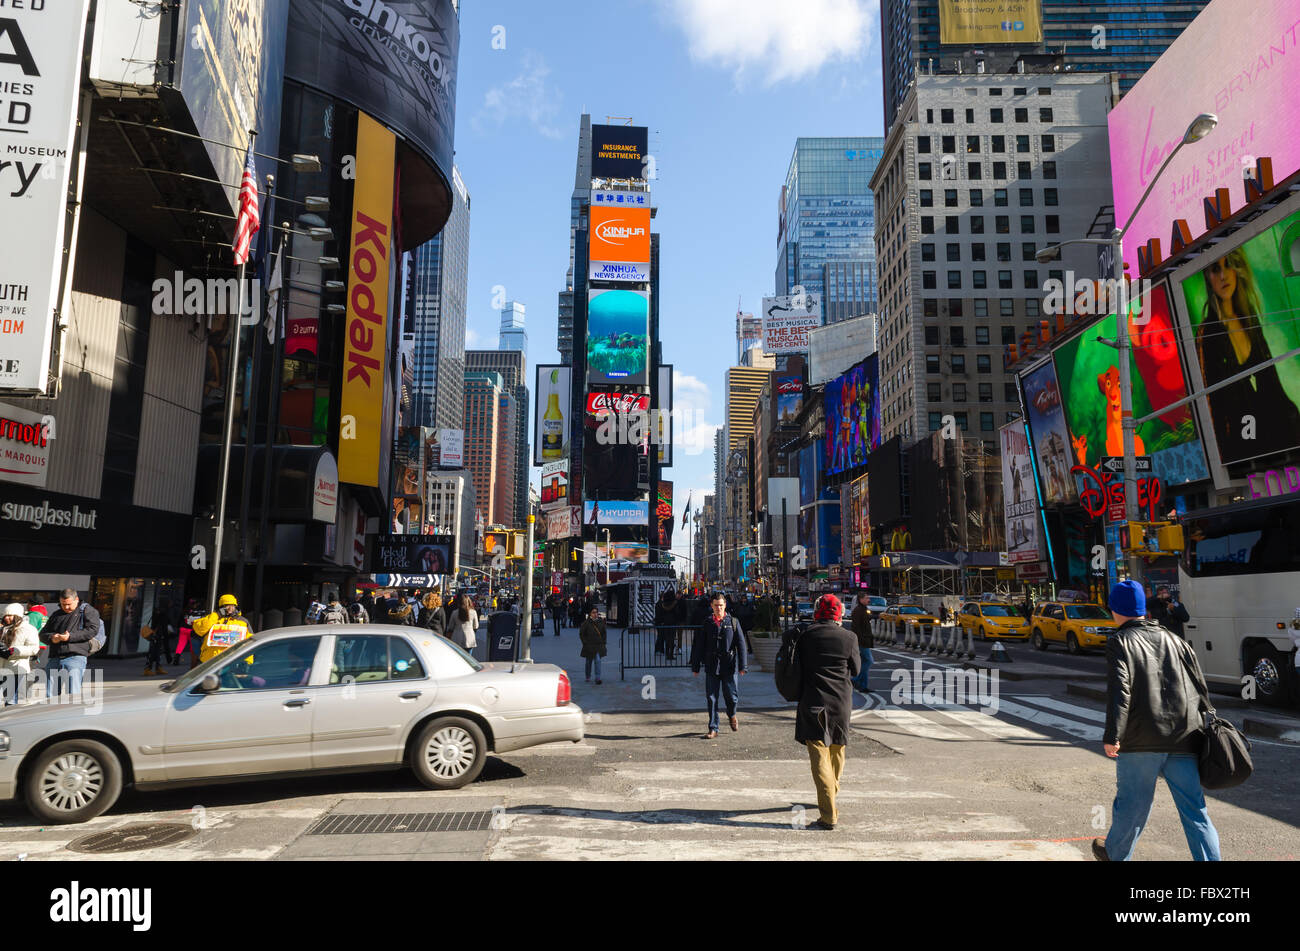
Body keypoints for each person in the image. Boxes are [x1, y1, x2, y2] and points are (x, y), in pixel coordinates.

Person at [1094, 580, 1219, 862]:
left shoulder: (1120, 641)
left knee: (1132, 807)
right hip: (1184, 737)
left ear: (1115, 609)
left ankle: (1116, 856)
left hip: (1141, 739)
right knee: (1195, 811)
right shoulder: (1175, 640)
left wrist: (1113, 735)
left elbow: (1120, 691)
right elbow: (1199, 686)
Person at [1194, 248, 1300, 461]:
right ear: (1208, 277)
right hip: (1243, 444)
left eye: (1228, 265)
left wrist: (1291, 418)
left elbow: (1271, 377)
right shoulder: (1207, 333)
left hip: (1276, 431)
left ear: (1237, 269)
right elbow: (1212, 404)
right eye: (1215, 269)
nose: (1223, 276)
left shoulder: (1248, 315)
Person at [797, 594, 861, 831]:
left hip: (814, 700)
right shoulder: (849, 637)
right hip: (841, 702)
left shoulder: (806, 636)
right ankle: (830, 794)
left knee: (819, 755)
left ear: (817, 612)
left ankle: (828, 815)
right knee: (837, 749)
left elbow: (797, 668)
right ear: (839, 613)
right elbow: (856, 669)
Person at [689, 593, 748, 739]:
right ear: (712, 606)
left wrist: (743, 666)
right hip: (711, 666)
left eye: (721, 605)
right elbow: (699, 645)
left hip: (729, 666)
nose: (718, 608)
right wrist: (695, 666)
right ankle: (713, 728)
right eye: (716, 605)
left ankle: (732, 714)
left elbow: (741, 645)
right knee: (712, 698)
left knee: (731, 697)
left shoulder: (733, 622)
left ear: (725, 605)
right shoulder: (707, 623)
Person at [40, 588, 102, 698]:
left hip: (75, 657)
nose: (66, 607)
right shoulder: (56, 614)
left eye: (69, 604)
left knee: (73, 695)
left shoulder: (87, 611)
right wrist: (52, 638)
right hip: (55, 657)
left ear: (76, 599)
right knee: (51, 696)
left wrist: (70, 637)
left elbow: (92, 630)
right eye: (63, 604)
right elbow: (43, 634)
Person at [193, 594, 255, 664]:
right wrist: (217, 615)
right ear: (221, 607)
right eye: (227, 605)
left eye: (232, 605)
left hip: (231, 661)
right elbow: (200, 630)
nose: (230, 608)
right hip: (210, 660)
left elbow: (249, 641)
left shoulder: (243, 621)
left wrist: (247, 662)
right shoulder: (213, 618)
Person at [0, 603, 41, 705]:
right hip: (3, 668)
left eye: (10, 615)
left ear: (17, 616)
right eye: (5, 616)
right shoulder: (4, 629)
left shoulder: (28, 629)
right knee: (7, 699)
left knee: (13, 700)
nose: (6, 618)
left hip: (18, 668)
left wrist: (14, 651)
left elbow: (34, 648)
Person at [849, 591, 874, 694]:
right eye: (866, 598)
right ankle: (855, 680)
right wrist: (860, 640)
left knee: (864, 662)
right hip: (861, 640)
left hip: (864, 639)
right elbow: (856, 627)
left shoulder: (863, 609)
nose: (869, 600)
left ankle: (863, 686)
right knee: (869, 661)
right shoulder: (858, 610)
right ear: (861, 599)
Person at [142, 599, 175, 676]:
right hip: (157, 634)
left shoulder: (161, 611)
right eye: (170, 602)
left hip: (159, 634)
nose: (171, 604)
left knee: (158, 652)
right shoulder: (162, 612)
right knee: (153, 652)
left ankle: (158, 667)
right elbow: (160, 624)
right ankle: (148, 669)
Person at [579, 605, 607, 684]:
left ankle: (598, 678)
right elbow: (582, 634)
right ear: (590, 614)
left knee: (598, 660)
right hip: (589, 646)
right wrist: (585, 643)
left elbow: (604, 633)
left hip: (598, 646)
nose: (595, 614)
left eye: (596, 612)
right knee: (588, 662)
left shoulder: (601, 622)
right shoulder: (586, 623)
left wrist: (603, 642)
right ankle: (588, 676)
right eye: (593, 612)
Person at [654, 588, 680, 659]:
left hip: (665, 623)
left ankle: (667, 653)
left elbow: (661, 614)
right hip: (672, 623)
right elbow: (677, 613)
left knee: (667, 639)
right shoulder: (675, 604)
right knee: (672, 639)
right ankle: (670, 654)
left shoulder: (663, 604)